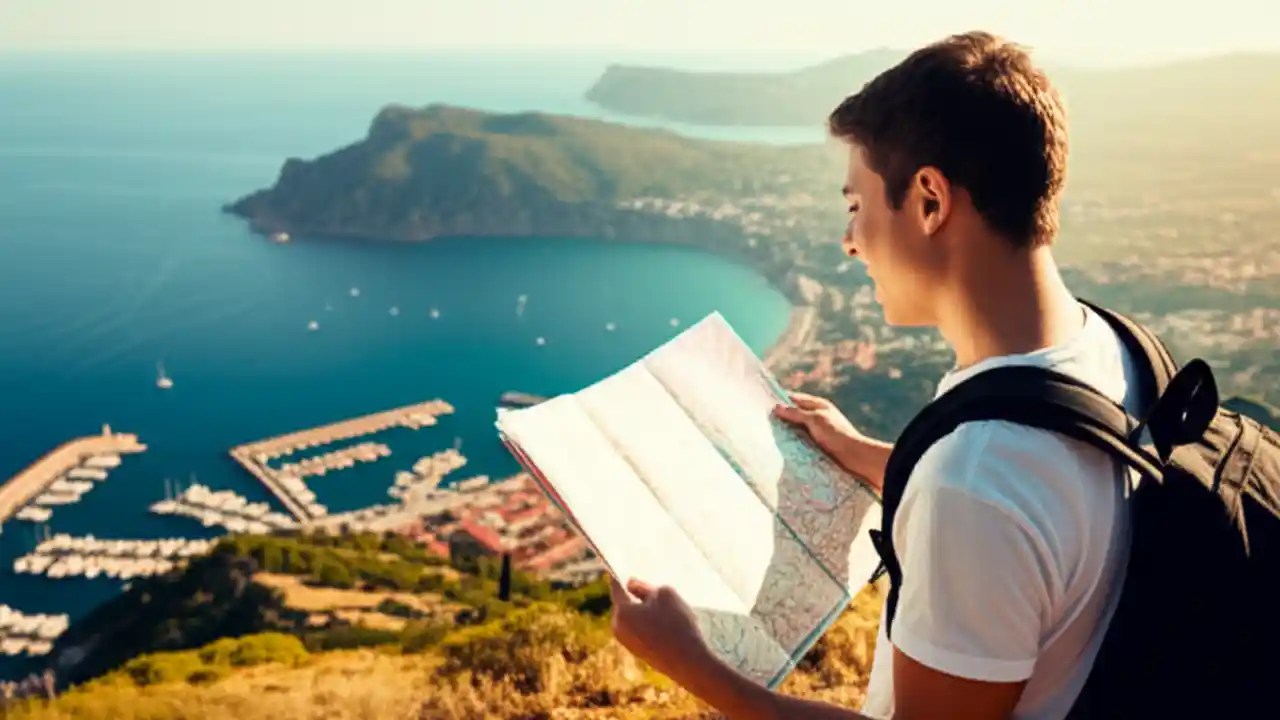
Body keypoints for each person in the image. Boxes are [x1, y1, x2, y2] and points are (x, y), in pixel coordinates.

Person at [609, 30, 1148, 720]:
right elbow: (1052, 516)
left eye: (856, 207)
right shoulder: (1101, 347)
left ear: (929, 201)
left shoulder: (975, 481)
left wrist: (698, 669)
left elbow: (997, 503)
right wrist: (869, 457)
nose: (849, 241)